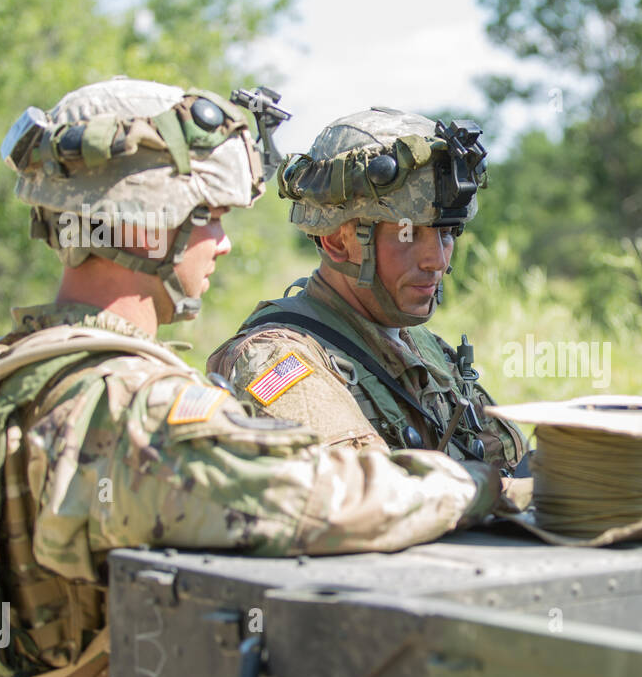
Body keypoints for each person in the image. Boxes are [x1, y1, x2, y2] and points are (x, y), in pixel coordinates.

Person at [0, 78, 500, 677]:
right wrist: (480, 485)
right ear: (141, 226)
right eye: (205, 217)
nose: (222, 242)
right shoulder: (125, 407)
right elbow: (320, 500)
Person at [207, 108, 525, 471]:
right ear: (336, 242)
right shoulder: (278, 361)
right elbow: (363, 502)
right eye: (409, 234)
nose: (436, 260)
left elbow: (509, 461)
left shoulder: (424, 348)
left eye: (446, 233)